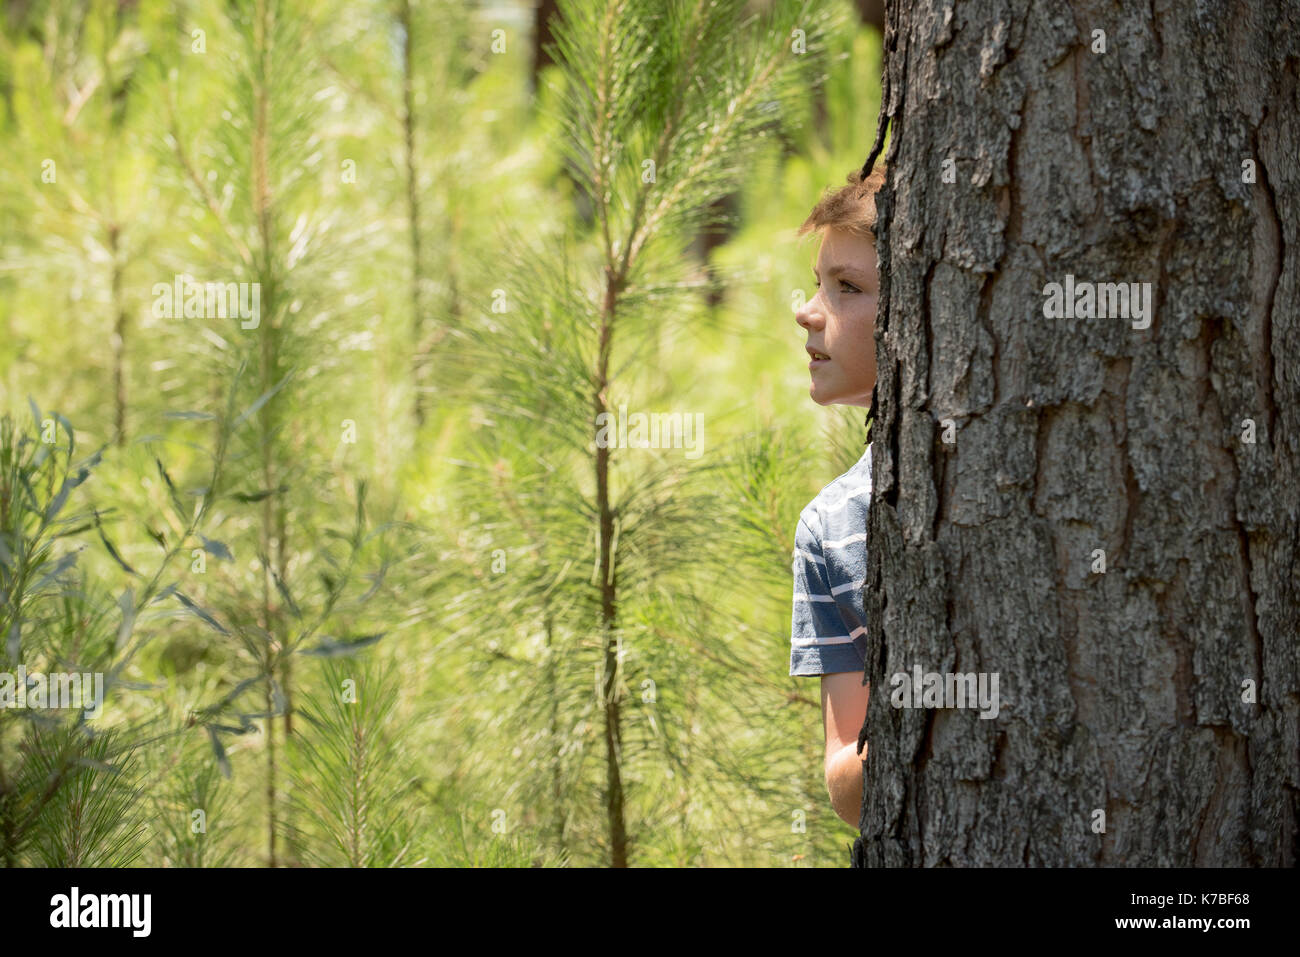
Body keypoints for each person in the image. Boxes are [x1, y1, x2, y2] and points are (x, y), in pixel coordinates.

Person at [789, 164, 884, 828]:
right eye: (819, 284)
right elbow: (844, 783)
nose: (807, 310)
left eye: (846, 287)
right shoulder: (828, 524)